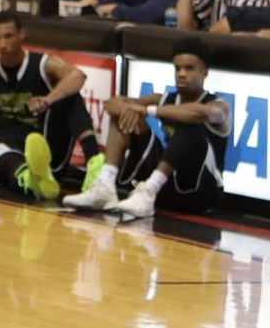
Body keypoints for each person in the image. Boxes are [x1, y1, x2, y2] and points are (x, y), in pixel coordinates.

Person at [63, 38, 231, 218]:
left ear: (205, 72)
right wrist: (128, 110)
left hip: (201, 193)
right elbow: (112, 103)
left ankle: (149, 190)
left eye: (189, 68)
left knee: (188, 123)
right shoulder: (163, 98)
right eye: (177, 68)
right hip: (167, 188)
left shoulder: (218, 105)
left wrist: (147, 110)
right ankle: (105, 185)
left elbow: (202, 114)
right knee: (125, 115)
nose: (181, 74)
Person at [0, 12, 103, 199]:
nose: (3, 44)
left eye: (8, 36)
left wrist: (48, 99)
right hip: (6, 149)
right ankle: (31, 180)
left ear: (21, 34)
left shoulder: (44, 65)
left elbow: (78, 76)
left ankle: (94, 164)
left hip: (45, 146)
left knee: (69, 94)